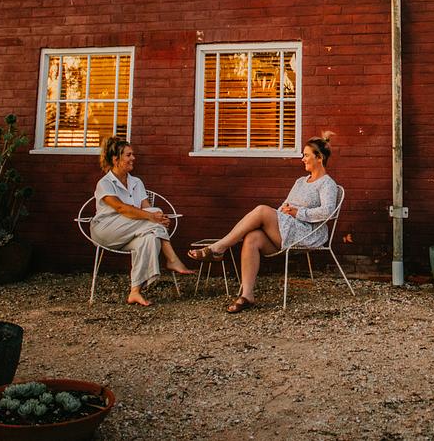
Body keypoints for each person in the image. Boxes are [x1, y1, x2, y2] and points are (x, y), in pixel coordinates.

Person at [188, 133, 340, 313]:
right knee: (252, 237)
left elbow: (328, 212)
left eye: (306, 155)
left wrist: (298, 212)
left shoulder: (327, 184)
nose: (302, 159)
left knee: (261, 210)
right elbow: (286, 204)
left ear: (319, 157)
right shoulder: (300, 181)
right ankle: (247, 295)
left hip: (308, 233)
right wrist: (284, 211)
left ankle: (218, 248)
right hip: (289, 228)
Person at [91, 137, 192, 306]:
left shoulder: (136, 182)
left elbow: (147, 209)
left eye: (133, 154)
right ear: (116, 159)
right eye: (128, 155)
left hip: (131, 232)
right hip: (106, 230)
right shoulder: (105, 183)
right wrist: (154, 218)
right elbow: (121, 209)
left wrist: (158, 218)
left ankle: (135, 291)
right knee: (153, 218)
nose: (133, 158)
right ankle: (172, 259)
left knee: (150, 237)